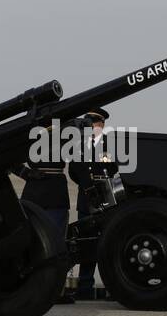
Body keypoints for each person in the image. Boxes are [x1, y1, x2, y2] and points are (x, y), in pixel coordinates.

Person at [14, 121, 73, 304]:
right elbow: (9, 161)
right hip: (38, 190)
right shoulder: (33, 134)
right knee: (32, 240)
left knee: (57, 242)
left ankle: (56, 289)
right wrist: (27, 174)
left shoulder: (64, 132)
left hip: (51, 189)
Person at [67, 108, 110, 300]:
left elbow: (114, 166)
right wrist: (88, 186)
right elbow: (75, 170)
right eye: (95, 124)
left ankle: (111, 283)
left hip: (105, 196)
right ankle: (85, 284)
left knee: (108, 240)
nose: (98, 127)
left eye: (100, 124)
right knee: (87, 241)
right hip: (87, 197)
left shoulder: (108, 144)